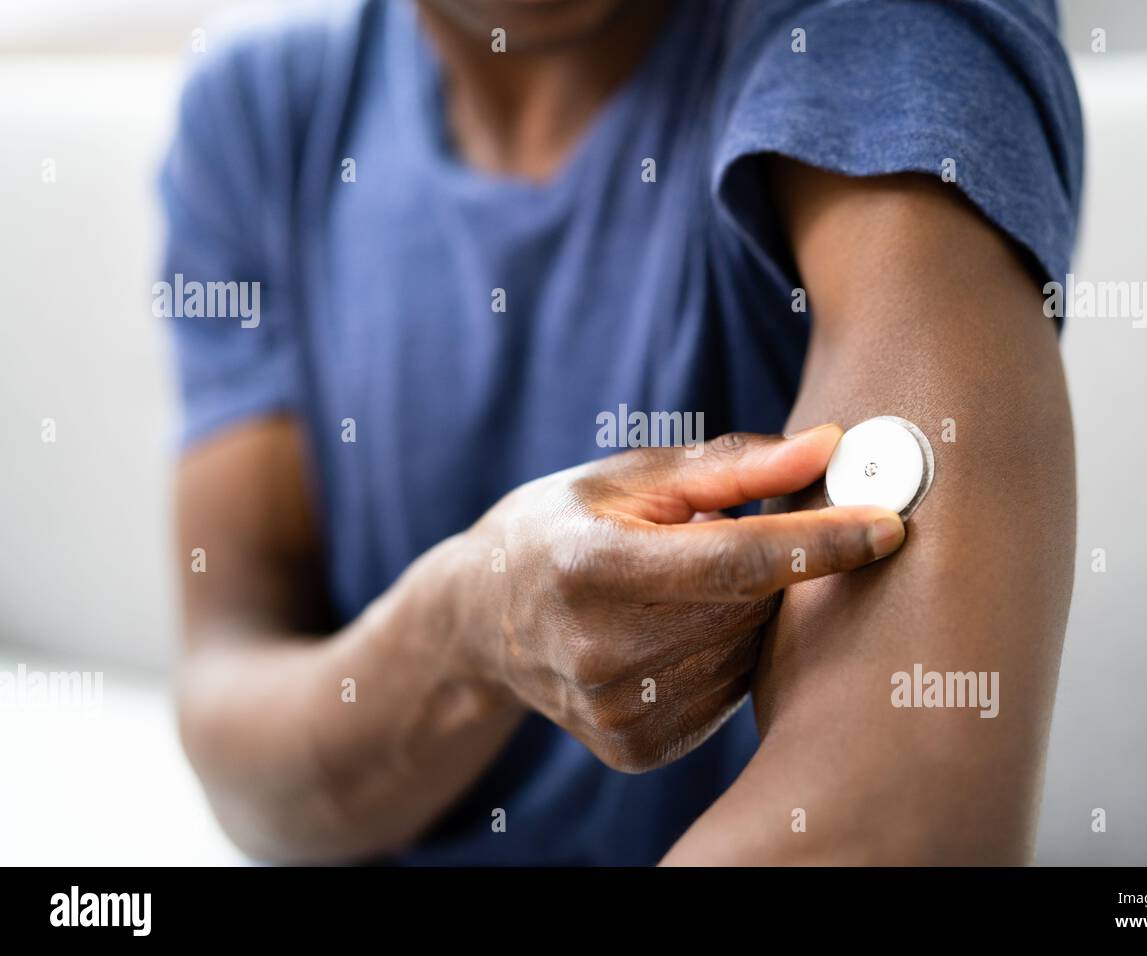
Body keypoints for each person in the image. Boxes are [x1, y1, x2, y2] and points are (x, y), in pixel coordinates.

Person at [164, 0, 1083, 865]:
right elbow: (242, 763)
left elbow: (896, 816)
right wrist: (468, 627)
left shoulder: (874, 29)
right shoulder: (255, 115)